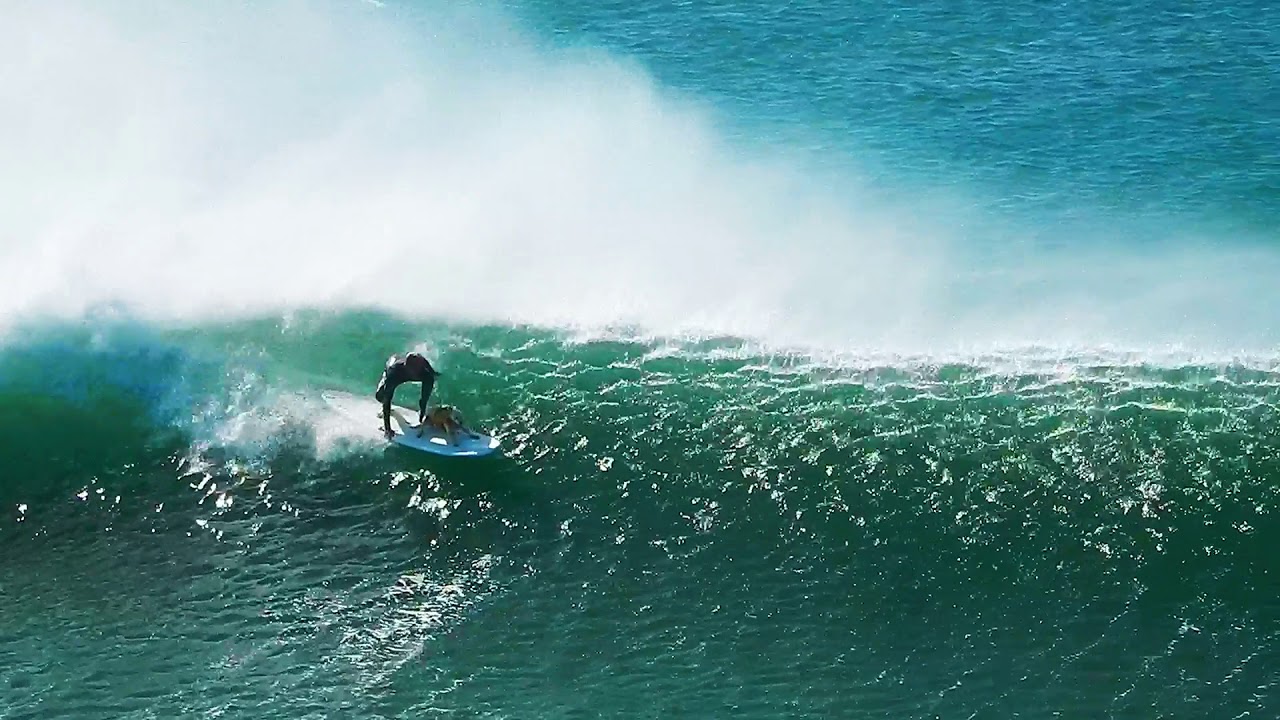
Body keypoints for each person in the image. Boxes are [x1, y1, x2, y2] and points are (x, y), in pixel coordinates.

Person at [374, 351, 439, 438]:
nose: (415, 372)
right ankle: (386, 412)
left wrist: (423, 410)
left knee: (429, 380)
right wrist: (387, 429)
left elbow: (427, 367)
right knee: (380, 396)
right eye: (413, 370)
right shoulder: (394, 373)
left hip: (407, 367)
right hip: (393, 366)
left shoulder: (422, 368)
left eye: (418, 369)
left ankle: (422, 413)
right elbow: (387, 399)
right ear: (406, 366)